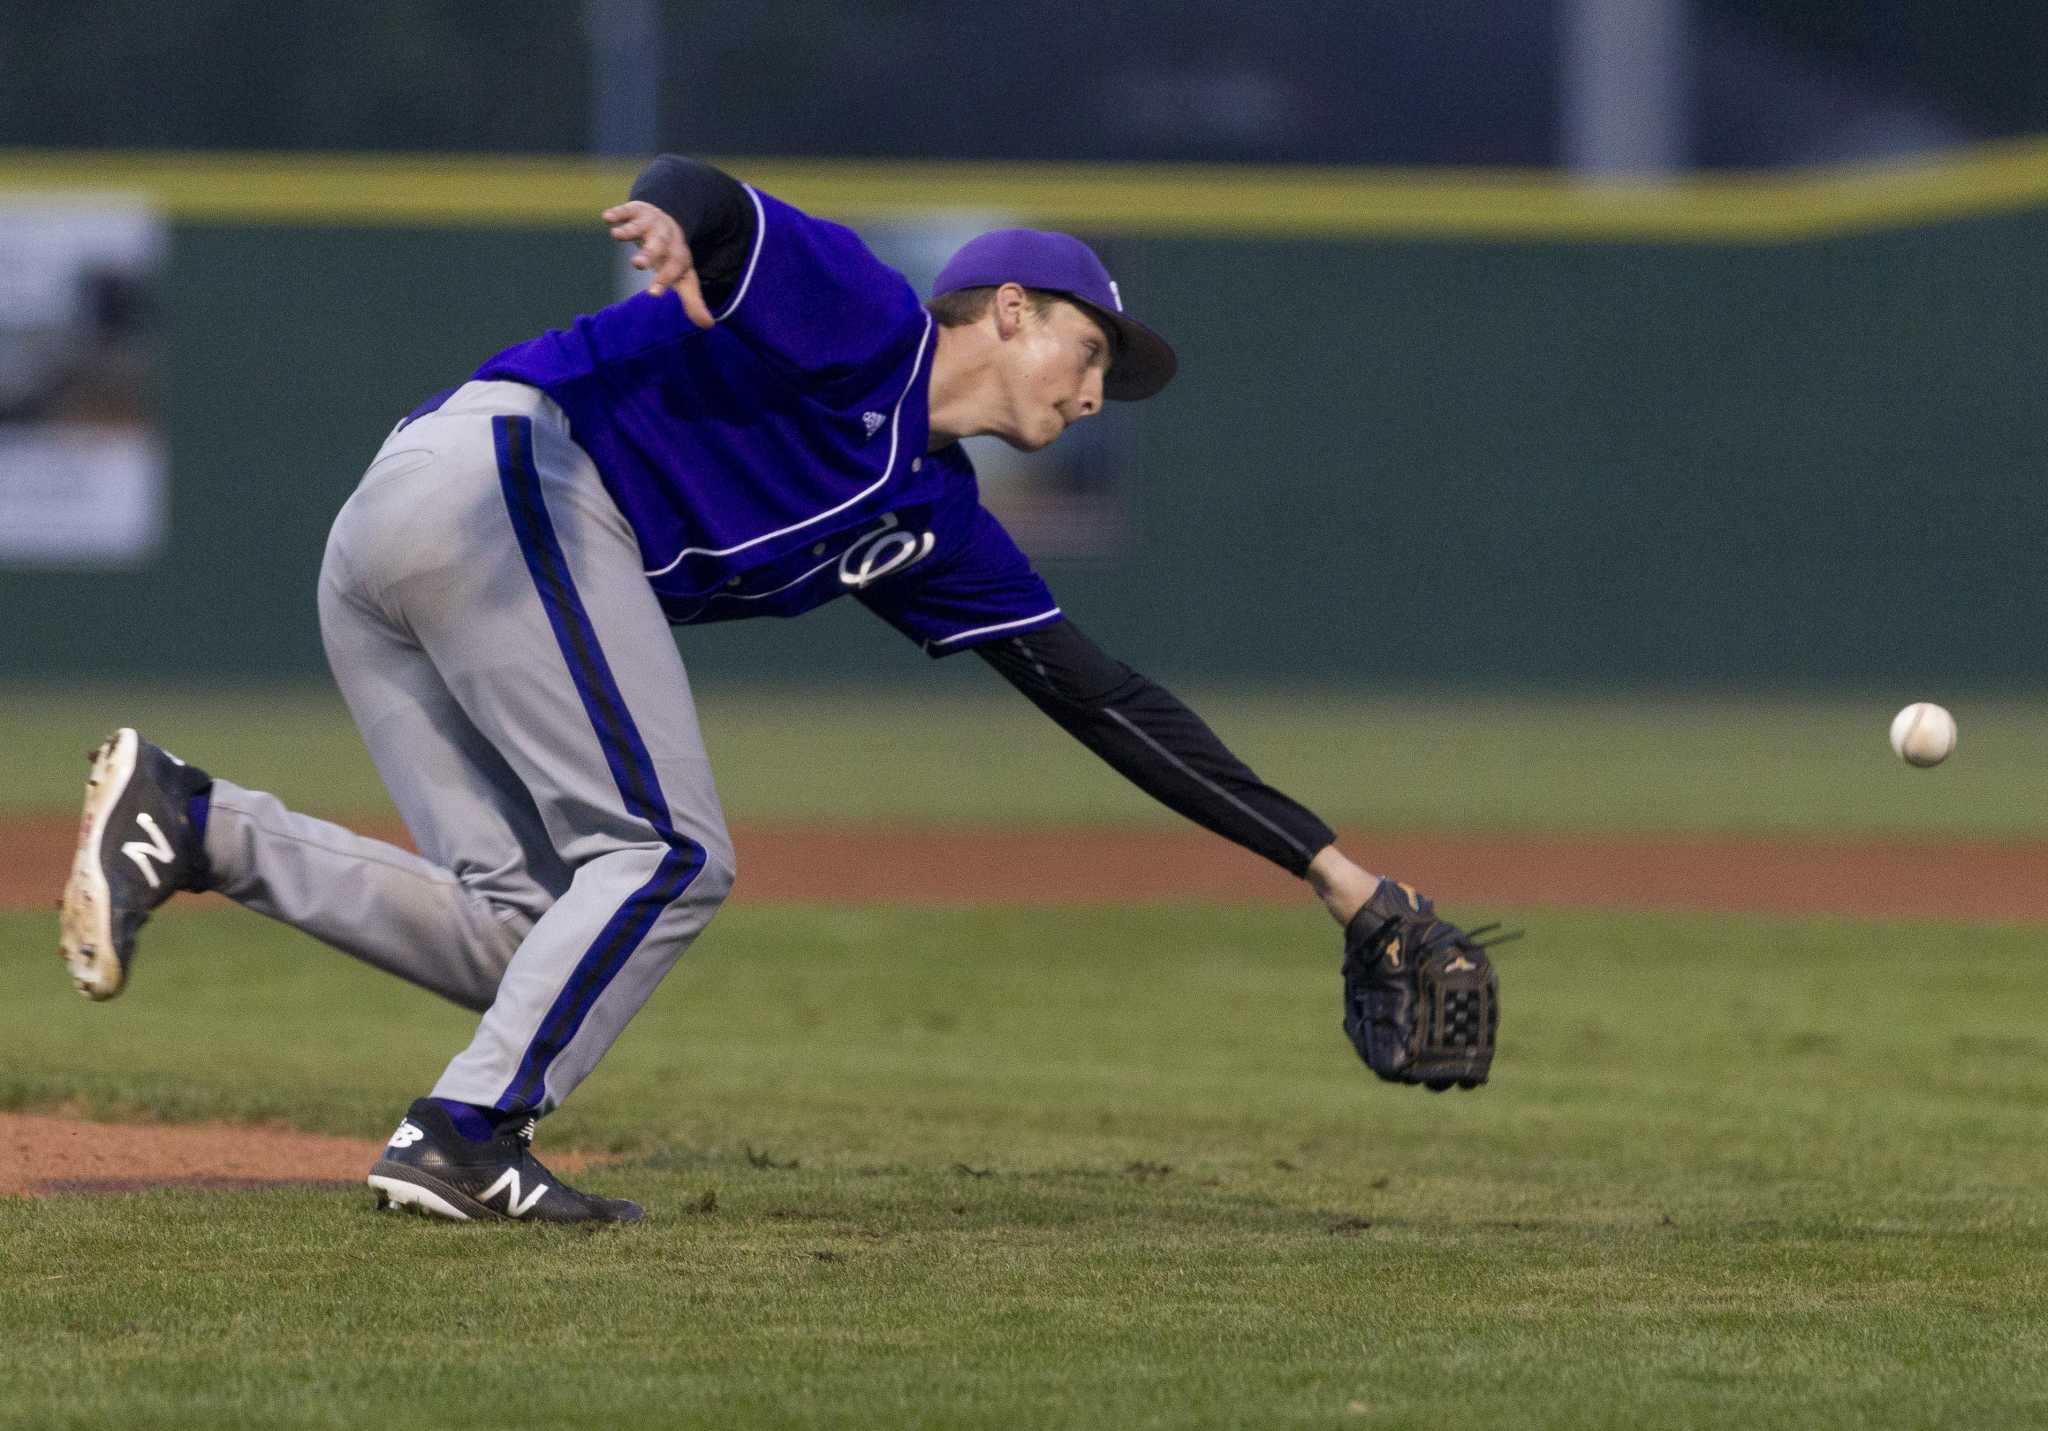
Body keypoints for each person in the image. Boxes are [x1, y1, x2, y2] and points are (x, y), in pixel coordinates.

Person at [57, 156, 1476, 1225]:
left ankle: (195, 825)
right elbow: (720, 206)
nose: (1096, 393)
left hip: (412, 545)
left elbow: (1105, 701)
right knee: (669, 854)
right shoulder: (871, 321)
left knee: (531, 941)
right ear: (1013, 310)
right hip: (503, 481)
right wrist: (672, 213)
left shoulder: (936, 519)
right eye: (1092, 351)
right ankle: (464, 1136)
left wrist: (1338, 875)